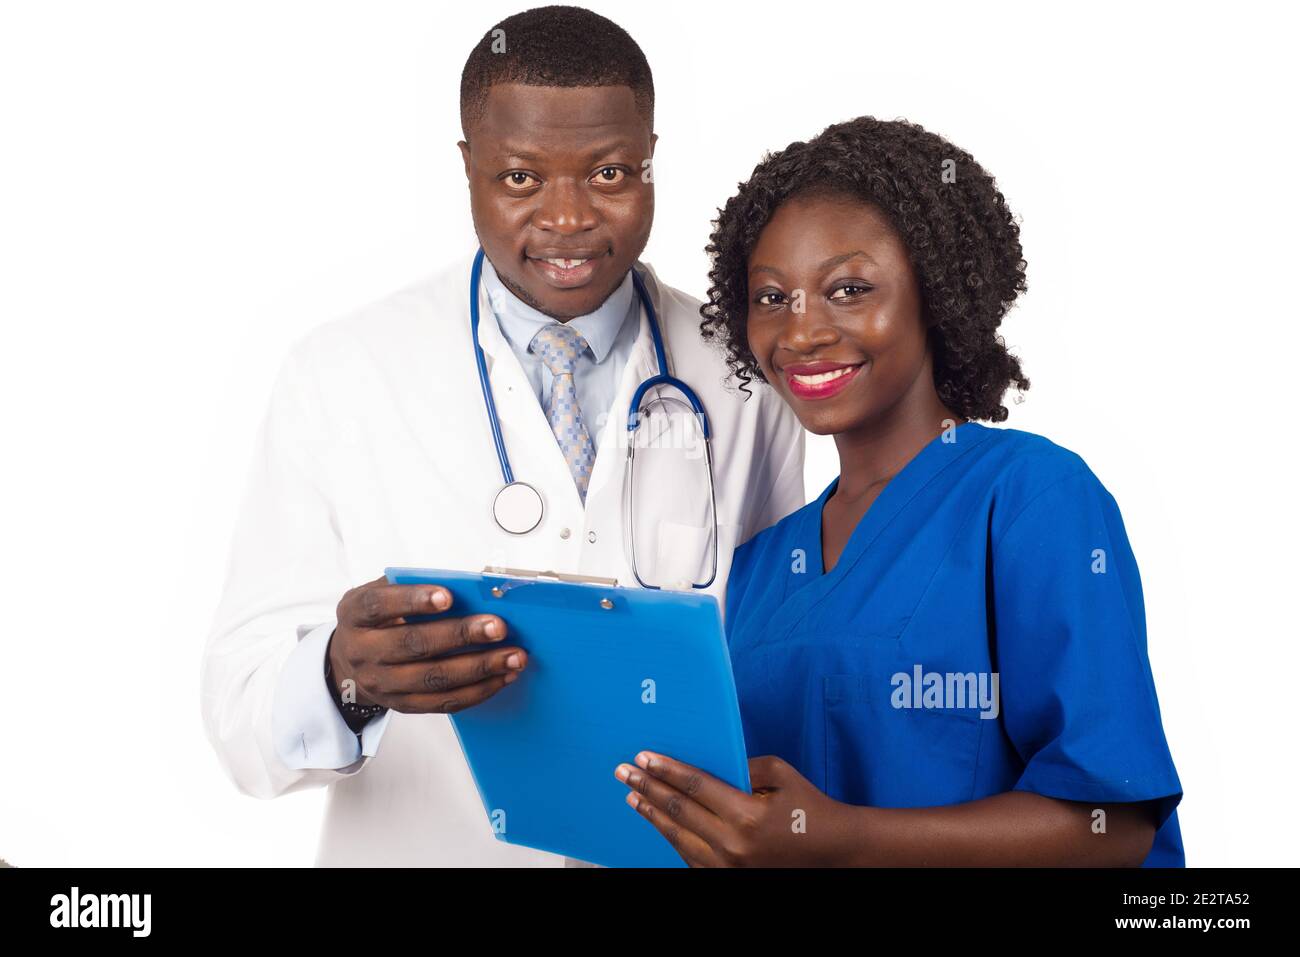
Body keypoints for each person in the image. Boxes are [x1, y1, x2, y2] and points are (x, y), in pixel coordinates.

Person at [200, 5, 804, 867]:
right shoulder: (339, 372)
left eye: (608, 171)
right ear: (468, 166)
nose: (568, 218)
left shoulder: (746, 372)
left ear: (652, 159)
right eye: (521, 178)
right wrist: (347, 675)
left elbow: (781, 655)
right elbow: (241, 721)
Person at [615, 116, 1184, 866]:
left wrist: (845, 842)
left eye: (848, 289)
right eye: (772, 296)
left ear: (935, 292)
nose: (803, 330)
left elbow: (1113, 824)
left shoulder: (1031, 497)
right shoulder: (759, 565)